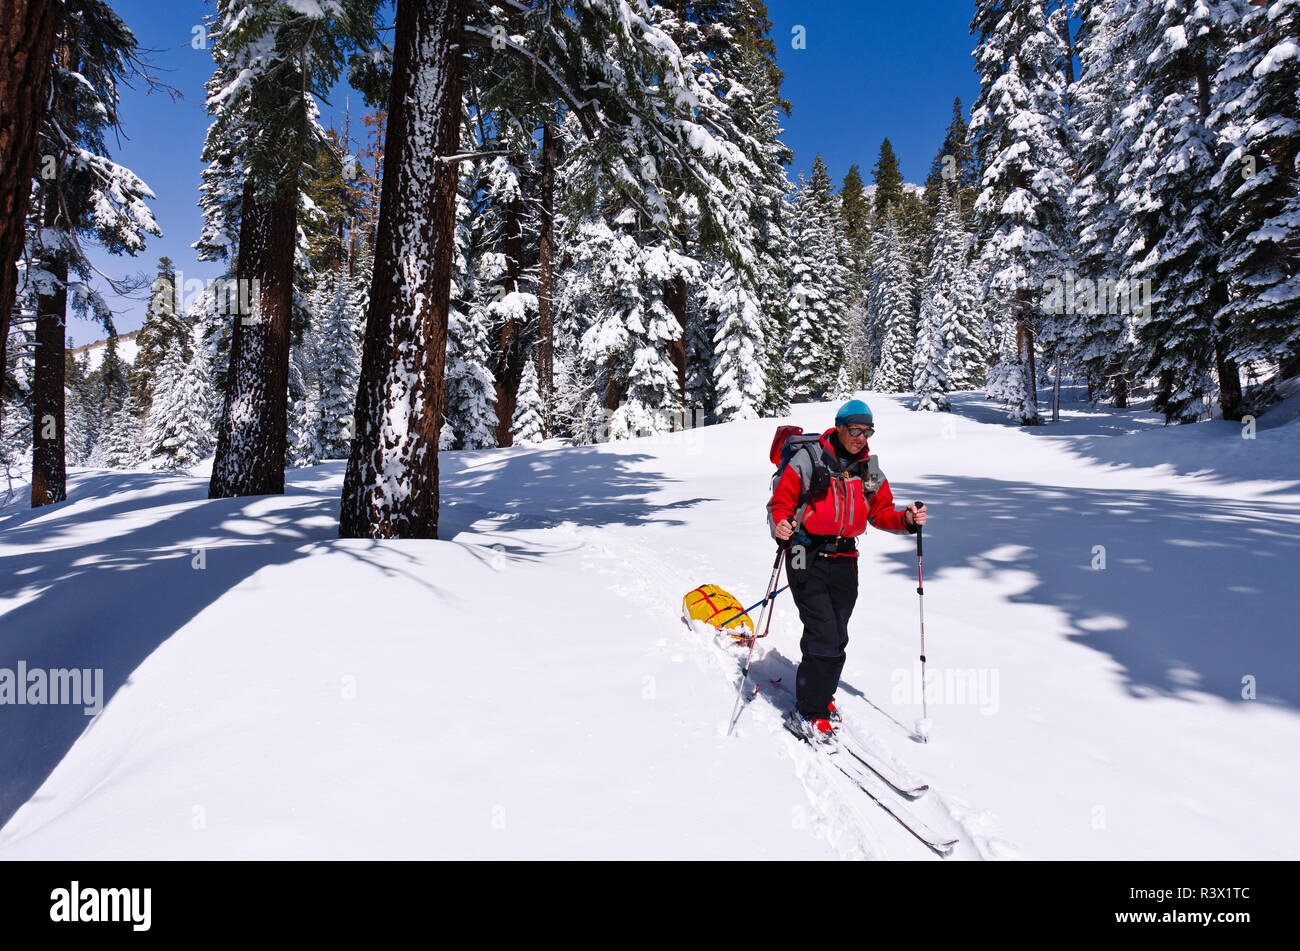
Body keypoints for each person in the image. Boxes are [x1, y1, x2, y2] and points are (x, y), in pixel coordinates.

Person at [767, 399, 928, 742]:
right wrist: (780, 524)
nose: (861, 437)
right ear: (839, 426)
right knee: (822, 631)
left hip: (845, 559)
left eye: (867, 430)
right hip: (802, 552)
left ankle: (820, 695)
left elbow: (880, 512)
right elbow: (781, 502)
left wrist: (906, 520)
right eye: (855, 429)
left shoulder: (868, 468)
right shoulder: (809, 459)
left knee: (838, 636)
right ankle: (810, 710)